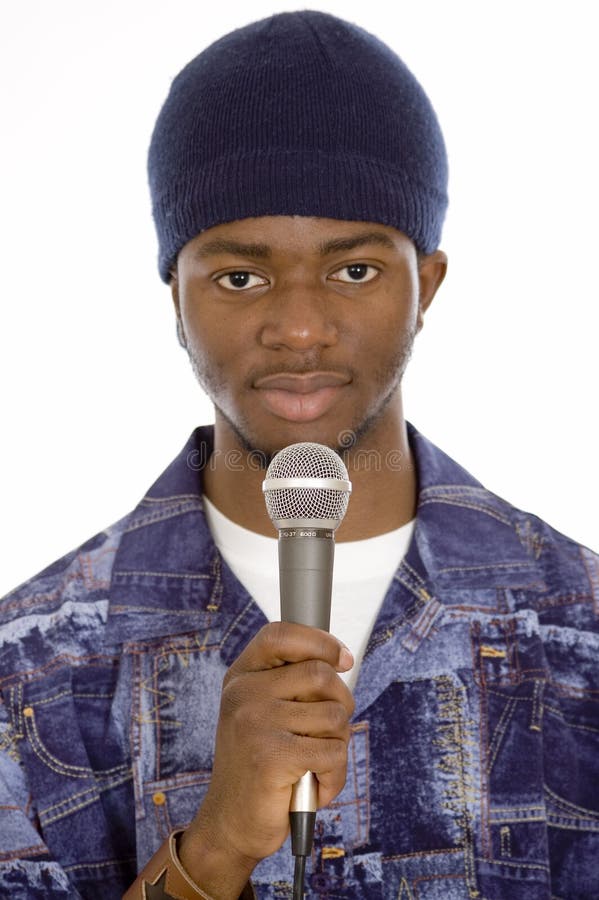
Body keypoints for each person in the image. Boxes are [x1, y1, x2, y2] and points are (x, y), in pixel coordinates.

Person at [1, 9, 598, 899]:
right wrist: (211, 850)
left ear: (424, 285)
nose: (299, 330)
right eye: (240, 277)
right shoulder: (33, 663)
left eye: (353, 270)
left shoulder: (576, 629)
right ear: (176, 291)